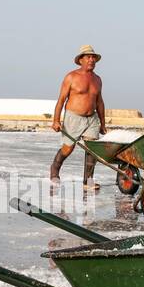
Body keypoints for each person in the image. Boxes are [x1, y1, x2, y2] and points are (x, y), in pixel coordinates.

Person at [50, 46, 106, 191]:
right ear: (80, 60)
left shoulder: (97, 80)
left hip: (92, 119)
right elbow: (61, 100)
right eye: (88, 57)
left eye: (93, 57)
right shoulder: (71, 77)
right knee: (68, 148)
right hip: (73, 117)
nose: (91, 60)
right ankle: (54, 170)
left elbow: (99, 102)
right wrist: (56, 120)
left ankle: (88, 181)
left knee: (92, 150)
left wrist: (103, 124)